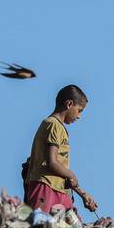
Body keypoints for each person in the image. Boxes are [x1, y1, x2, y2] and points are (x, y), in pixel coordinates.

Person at [22, 84, 98, 215]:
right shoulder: (52, 124)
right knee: (41, 226)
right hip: (44, 187)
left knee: (71, 227)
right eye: (79, 110)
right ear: (69, 104)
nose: (79, 116)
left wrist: (83, 194)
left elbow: (61, 172)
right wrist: (71, 174)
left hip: (59, 190)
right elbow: (52, 162)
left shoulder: (60, 128)